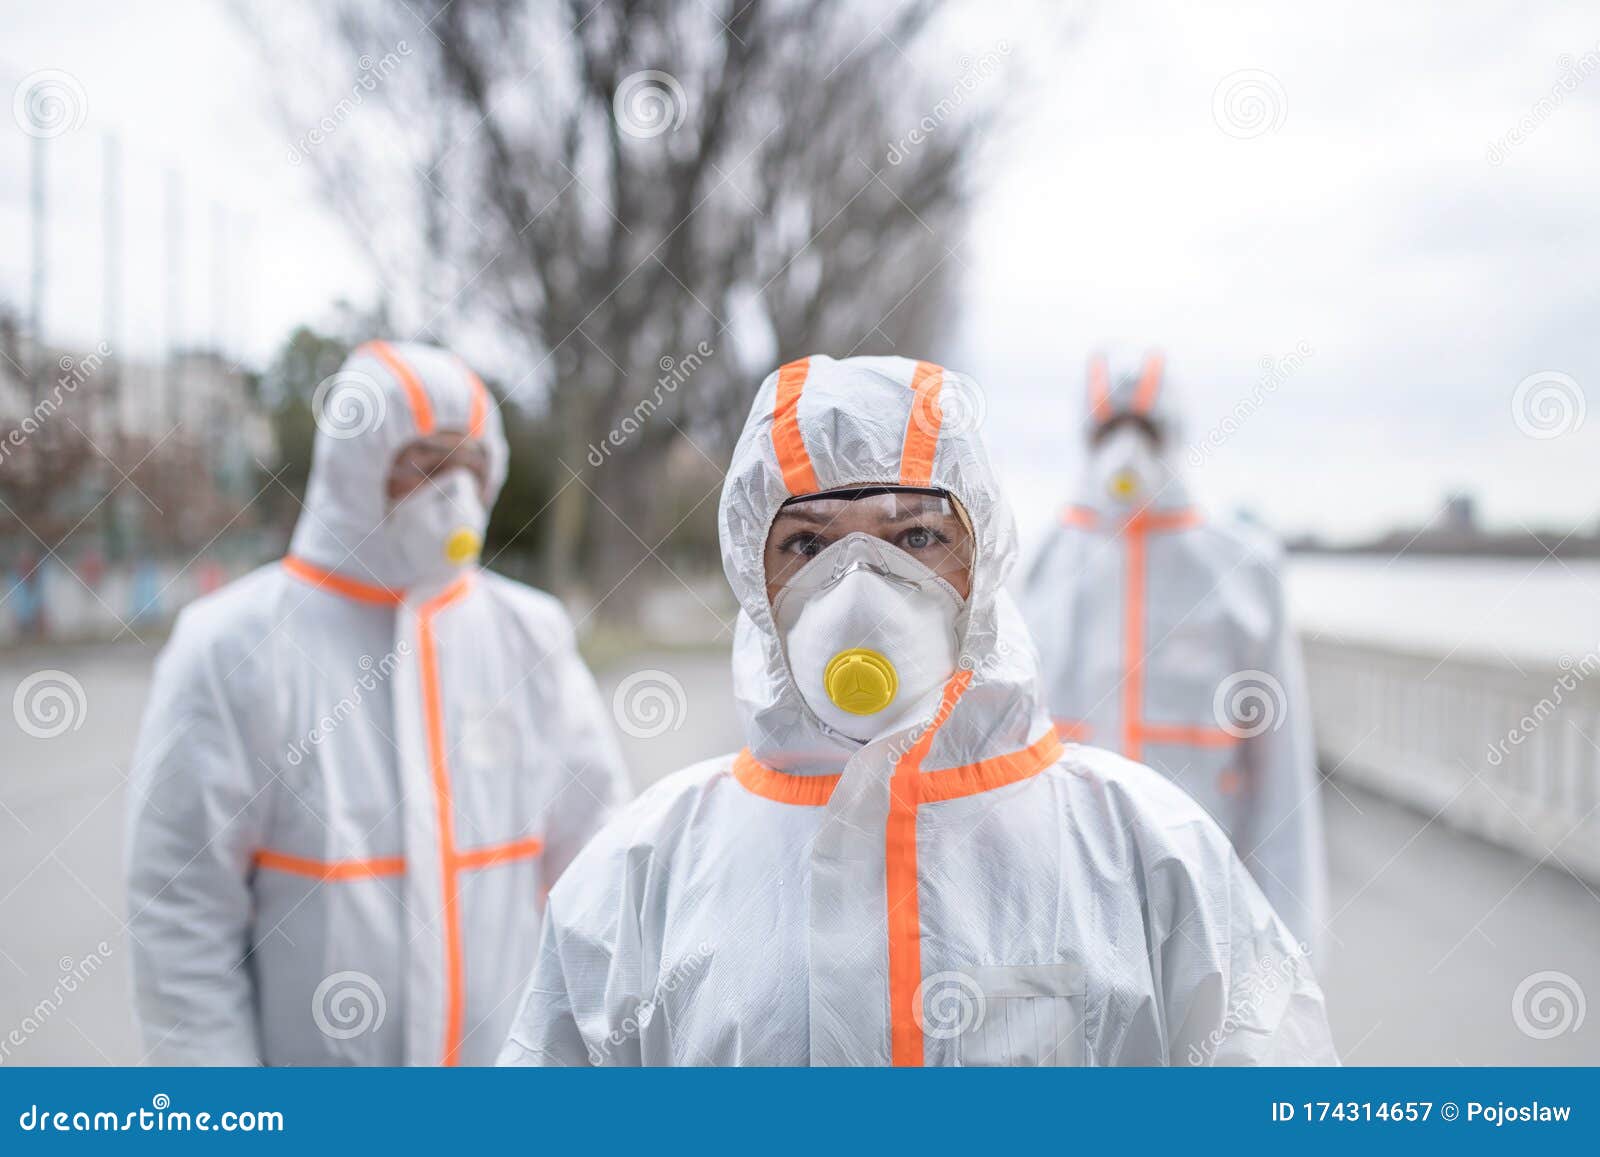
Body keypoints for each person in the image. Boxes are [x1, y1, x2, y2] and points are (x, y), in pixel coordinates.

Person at [499, 354, 1336, 1066]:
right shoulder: (642, 875)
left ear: (984, 563)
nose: (859, 588)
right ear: (753, 578)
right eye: (809, 544)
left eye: (915, 538)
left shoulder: (1152, 853)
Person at [127, 340, 629, 1066]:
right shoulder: (232, 647)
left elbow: (601, 864)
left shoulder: (532, 637)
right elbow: (183, 914)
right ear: (353, 467)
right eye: (426, 462)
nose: (455, 491)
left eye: (473, 465)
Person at [1020, 349, 1326, 955]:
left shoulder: (1241, 569)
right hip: (1065, 906)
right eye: (1110, 430)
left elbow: (1283, 771)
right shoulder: (1040, 564)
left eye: (1146, 429)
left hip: (1207, 904)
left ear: (1175, 434)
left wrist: (1289, 944)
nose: (1127, 449)